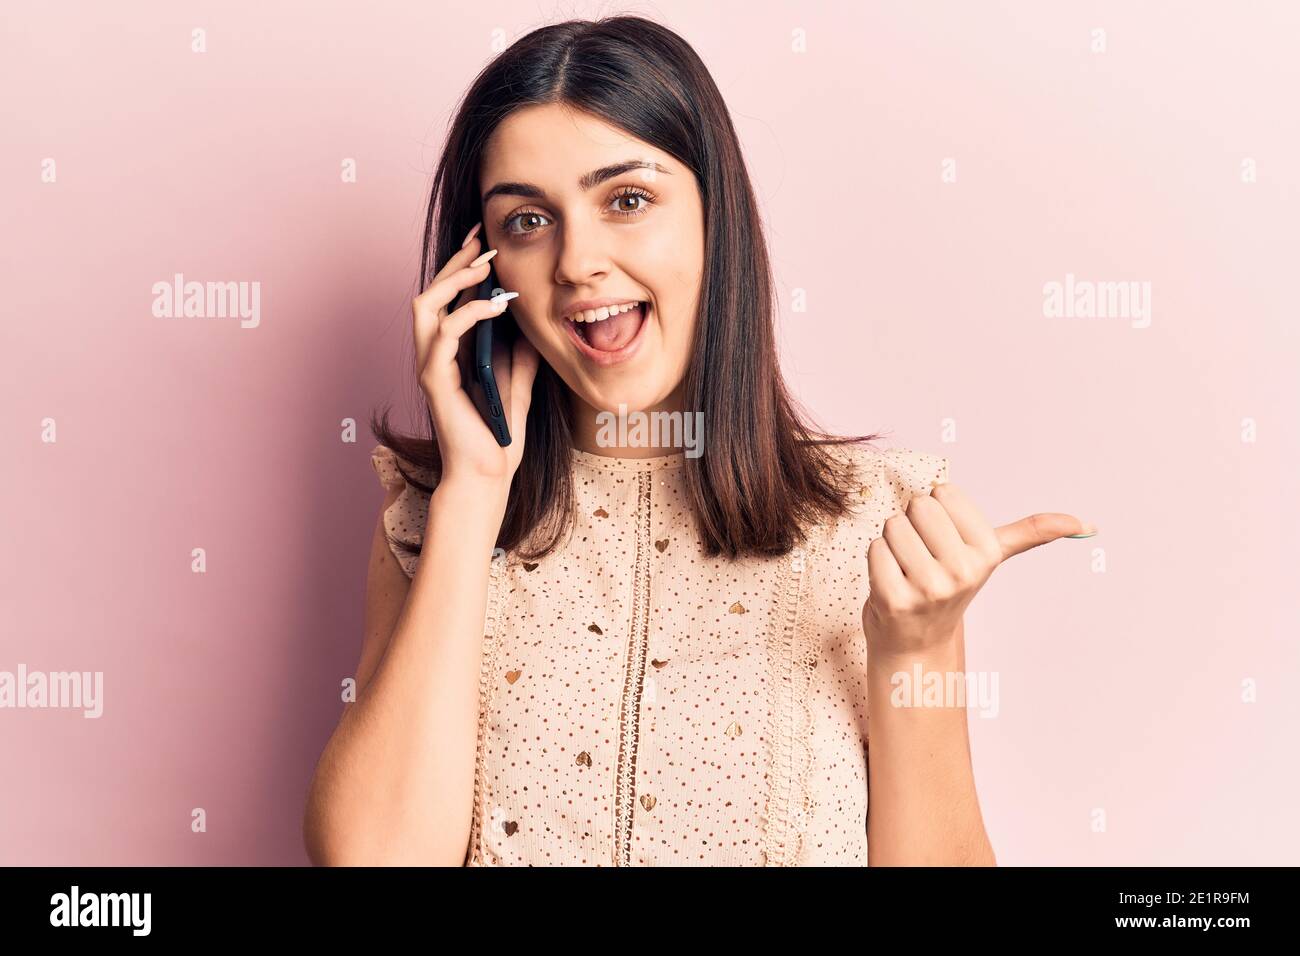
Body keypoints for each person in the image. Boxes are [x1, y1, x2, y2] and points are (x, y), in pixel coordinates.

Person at [303, 15, 1095, 867]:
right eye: (528, 221)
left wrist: (918, 648)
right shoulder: (430, 518)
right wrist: (475, 488)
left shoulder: (882, 530)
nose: (577, 263)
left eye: (628, 201)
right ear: (484, 267)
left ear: (718, 220)